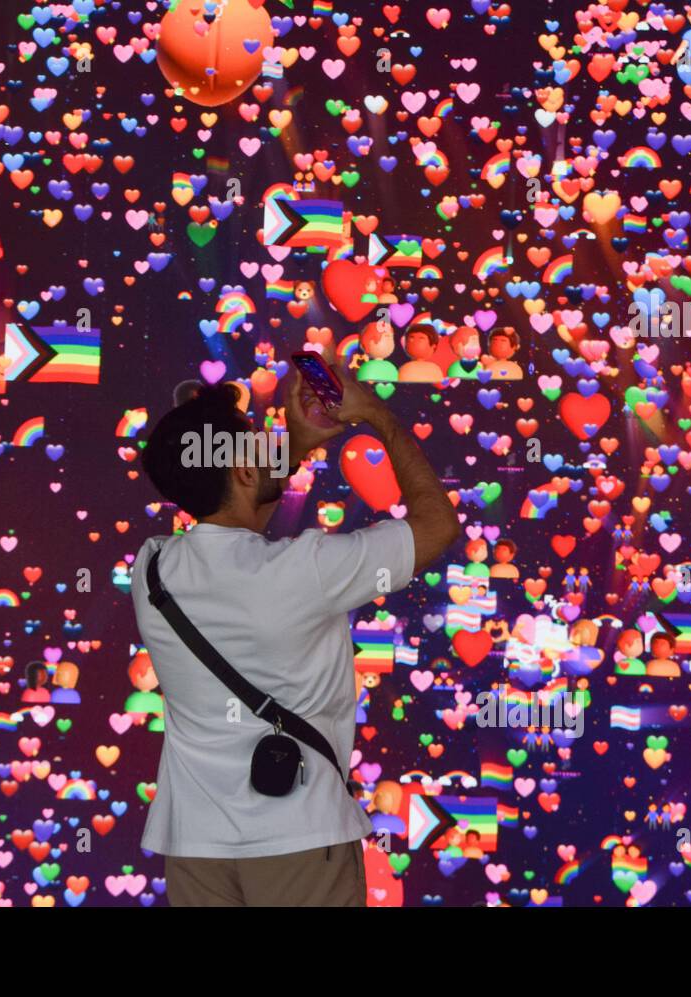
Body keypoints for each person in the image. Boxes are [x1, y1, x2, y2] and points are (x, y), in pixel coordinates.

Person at [131, 358, 459, 906]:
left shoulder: (152, 569)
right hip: (300, 839)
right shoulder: (308, 568)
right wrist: (377, 416)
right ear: (241, 471)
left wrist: (294, 442)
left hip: (194, 845)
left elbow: (235, 511)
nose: (269, 448)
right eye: (258, 444)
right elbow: (438, 525)